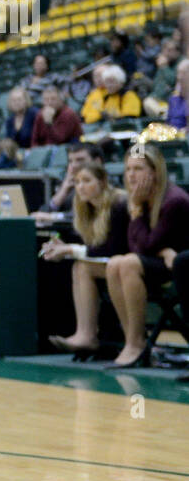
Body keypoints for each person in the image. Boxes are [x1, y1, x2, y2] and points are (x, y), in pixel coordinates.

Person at [105, 144, 189, 367]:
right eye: (128, 169)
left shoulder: (174, 201)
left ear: (154, 172)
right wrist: (159, 248)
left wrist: (136, 213)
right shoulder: (137, 200)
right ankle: (133, 340)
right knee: (114, 264)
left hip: (180, 269)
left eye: (138, 168)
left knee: (129, 263)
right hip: (158, 260)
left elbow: (144, 247)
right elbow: (138, 245)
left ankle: (136, 343)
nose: (131, 175)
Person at [41, 161, 132, 355]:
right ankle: (84, 334)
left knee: (82, 267)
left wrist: (69, 250)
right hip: (114, 263)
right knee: (80, 267)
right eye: (77, 182)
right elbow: (95, 248)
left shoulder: (119, 203)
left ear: (102, 182)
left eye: (86, 181)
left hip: (130, 264)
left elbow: (112, 249)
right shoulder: (86, 209)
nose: (80, 186)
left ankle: (87, 335)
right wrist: (64, 248)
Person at [34, 141, 105, 223]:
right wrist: (63, 190)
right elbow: (42, 214)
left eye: (80, 160)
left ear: (97, 162)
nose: (74, 165)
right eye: (70, 161)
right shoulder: (69, 185)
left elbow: (87, 216)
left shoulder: (104, 185)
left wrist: (53, 217)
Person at [165, 58, 189, 130]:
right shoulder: (174, 99)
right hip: (173, 136)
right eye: (178, 72)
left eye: (183, 73)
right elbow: (168, 122)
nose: (179, 76)